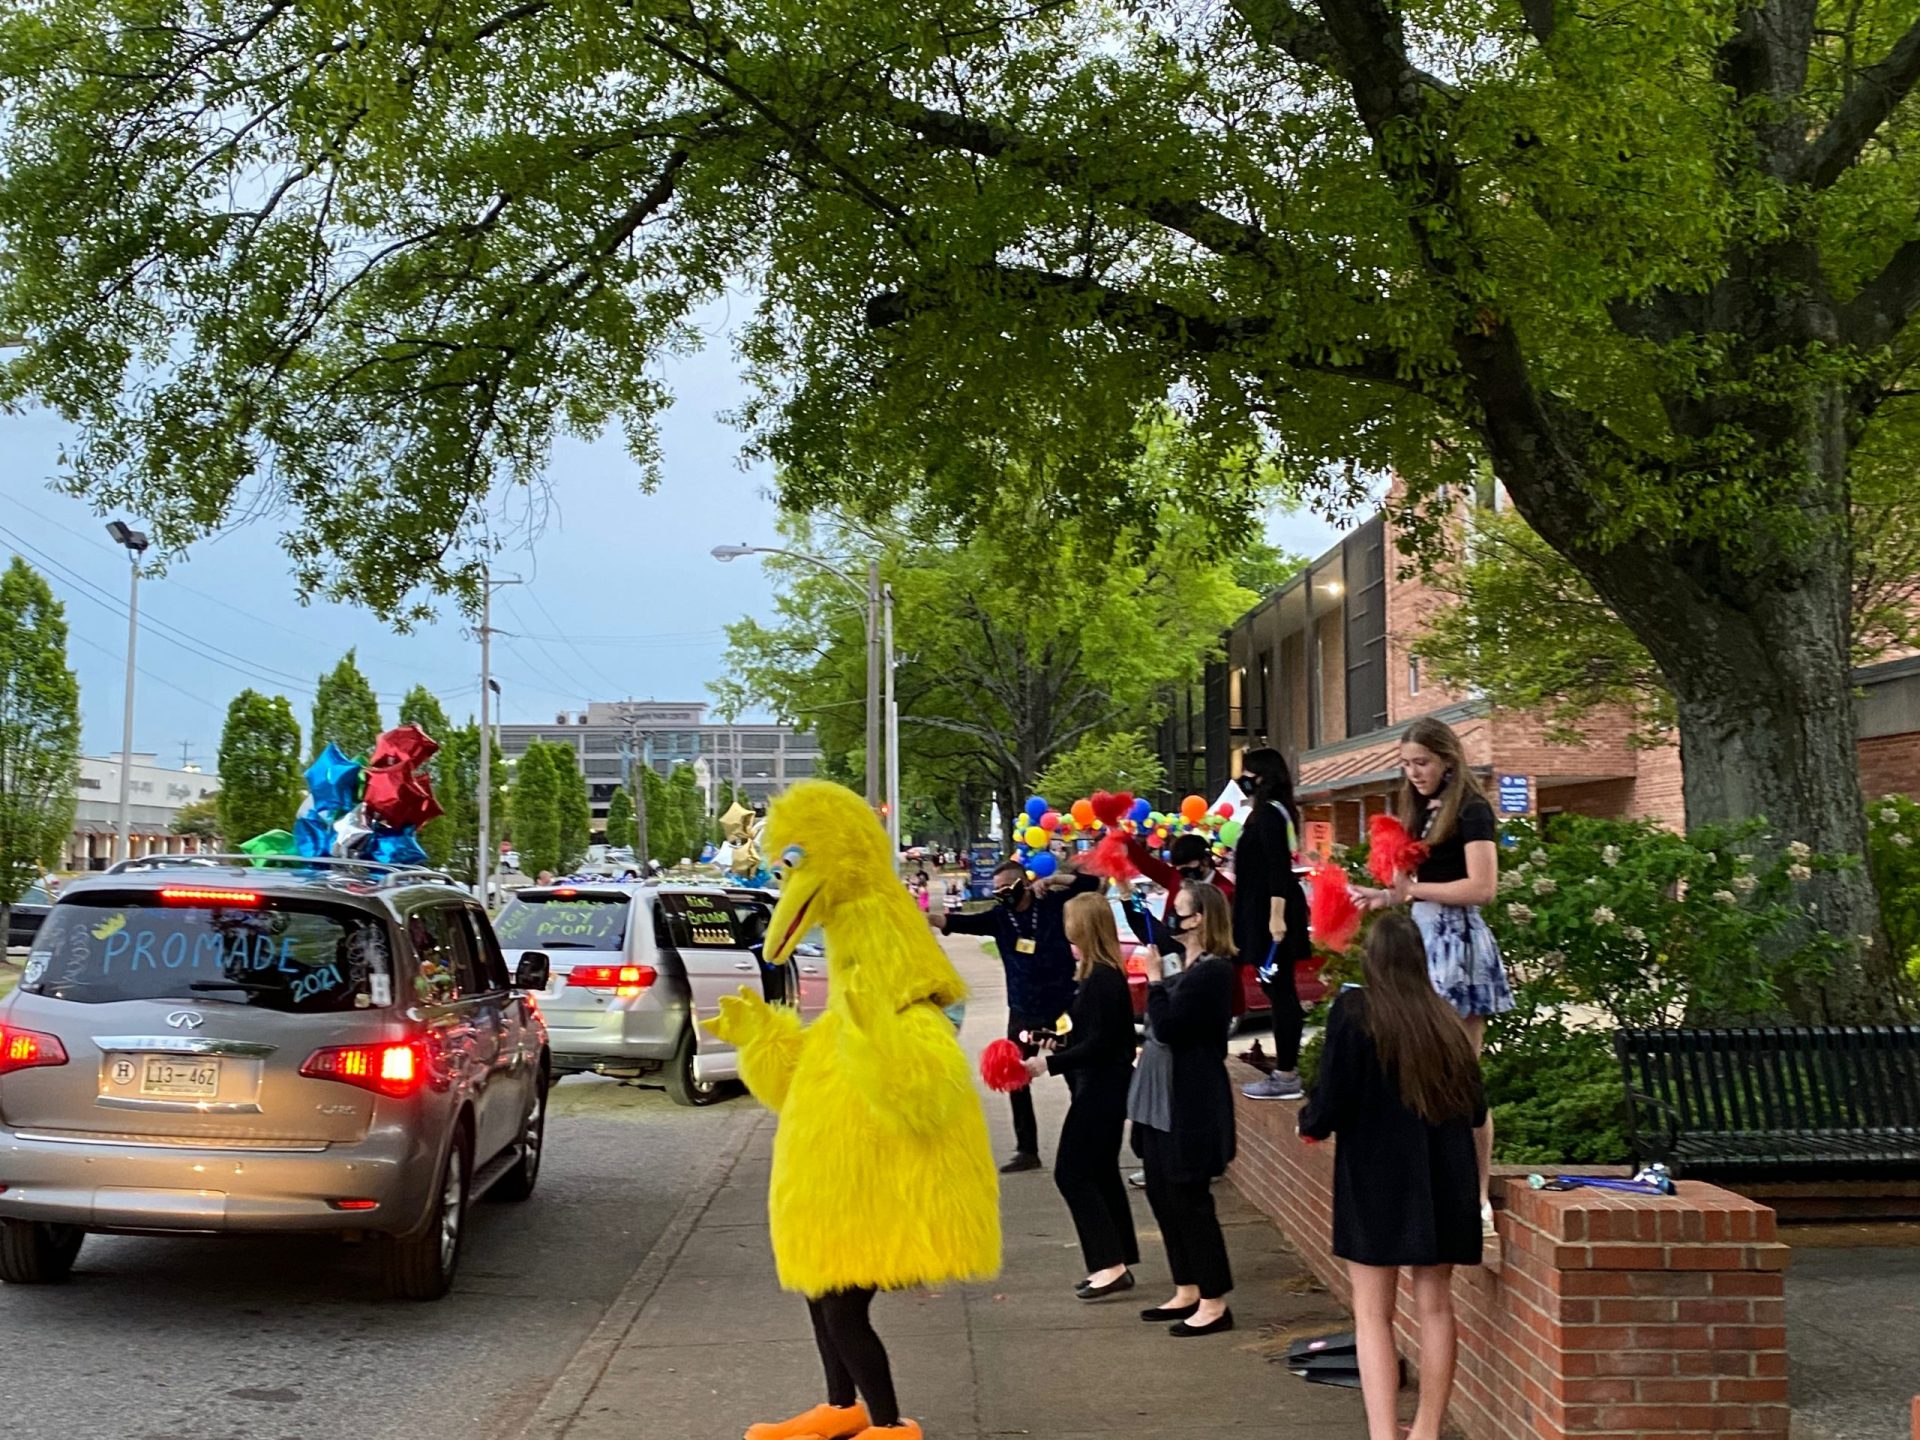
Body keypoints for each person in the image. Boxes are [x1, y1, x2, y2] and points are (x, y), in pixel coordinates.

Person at [706, 781, 1000, 1440]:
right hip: (836, 1200)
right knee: (819, 1296)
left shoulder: (906, 1013)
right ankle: (842, 1408)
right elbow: (796, 1088)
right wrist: (761, 1037)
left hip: (878, 1199)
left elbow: (922, 1095)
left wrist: (876, 1037)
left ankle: (890, 1423)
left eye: (795, 864)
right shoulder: (844, 1017)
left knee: (842, 1309)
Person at [1298, 913, 1488, 1440]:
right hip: (1443, 1179)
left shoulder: (1355, 1012)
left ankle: (1384, 1432)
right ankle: (1426, 1429)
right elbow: (1475, 1109)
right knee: (1437, 1307)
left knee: (1373, 1315)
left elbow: (1332, 1098)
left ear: (1372, 960)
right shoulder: (1445, 1019)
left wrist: (1309, 1122)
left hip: (1376, 1177)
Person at [1357, 716, 1511, 1233]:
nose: (1413, 773)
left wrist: (1411, 891)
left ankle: (1477, 1194)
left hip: (1457, 945)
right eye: (1405, 764)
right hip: (1421, 941)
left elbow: (1482, 888)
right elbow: (1412, 889)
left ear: (1448, 759)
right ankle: (1435, 1187)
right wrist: (1383, 898)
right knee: (1419, 1071)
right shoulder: (1419, 809)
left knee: (1461, 1076)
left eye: (1421, 762)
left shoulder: (1471, 808)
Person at [935, 858, 1098, 1172]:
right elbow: (959, 922)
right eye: (995, 889)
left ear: (1023, 884)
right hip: (1023, 1011)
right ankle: (1027, 1149)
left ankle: (1087, 1142)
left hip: (1062, 1008)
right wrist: (928, 919)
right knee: (1015, 1077)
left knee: (1076, 1075)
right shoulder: (999, 918)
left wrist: (1054, 880)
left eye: (1005, 887)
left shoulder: (1050, 904)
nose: (1001, 894)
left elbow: (1090, 885)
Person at [1130, 880, 1238, 1336]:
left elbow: (1171, 1027)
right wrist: (1126, 891)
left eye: (1181, 910)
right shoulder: (1186, 964)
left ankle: (1214, 1301)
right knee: (1162, 1193)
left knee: (1190, 1199)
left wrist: (1155, 982)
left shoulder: (1214, 972)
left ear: (1202, 919)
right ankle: (1187, 1286)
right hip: (1160, 1099)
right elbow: (1148, 929)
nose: (1173, 917)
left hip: (1190, 1100)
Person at [1024, 892, 1139, 1299]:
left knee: (1072, 1172)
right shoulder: (1096, 975)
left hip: (1103, 1087)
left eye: (1071, 922)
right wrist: (1055, 1041)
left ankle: (1110, 1263)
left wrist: (1048, 1064)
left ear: (1084, 927)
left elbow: (1104, 1045)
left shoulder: (1103, 979)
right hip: (1099, 1084)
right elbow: (1090, 1034)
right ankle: (1117, 1257)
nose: (1066, 929)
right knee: (1101, 1171)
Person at [1233, 748, 1311, 1102]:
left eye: (1249, 773)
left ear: (1264, 776)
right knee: (1276, 990)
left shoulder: (1270, 815)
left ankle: (1286, 1073)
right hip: (1261, 911)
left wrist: (1276, 918)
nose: (1243, 780)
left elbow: (1279, 869)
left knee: (1281, 993)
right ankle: (1285, 1070)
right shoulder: (1268, 812)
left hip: (1271, 915)